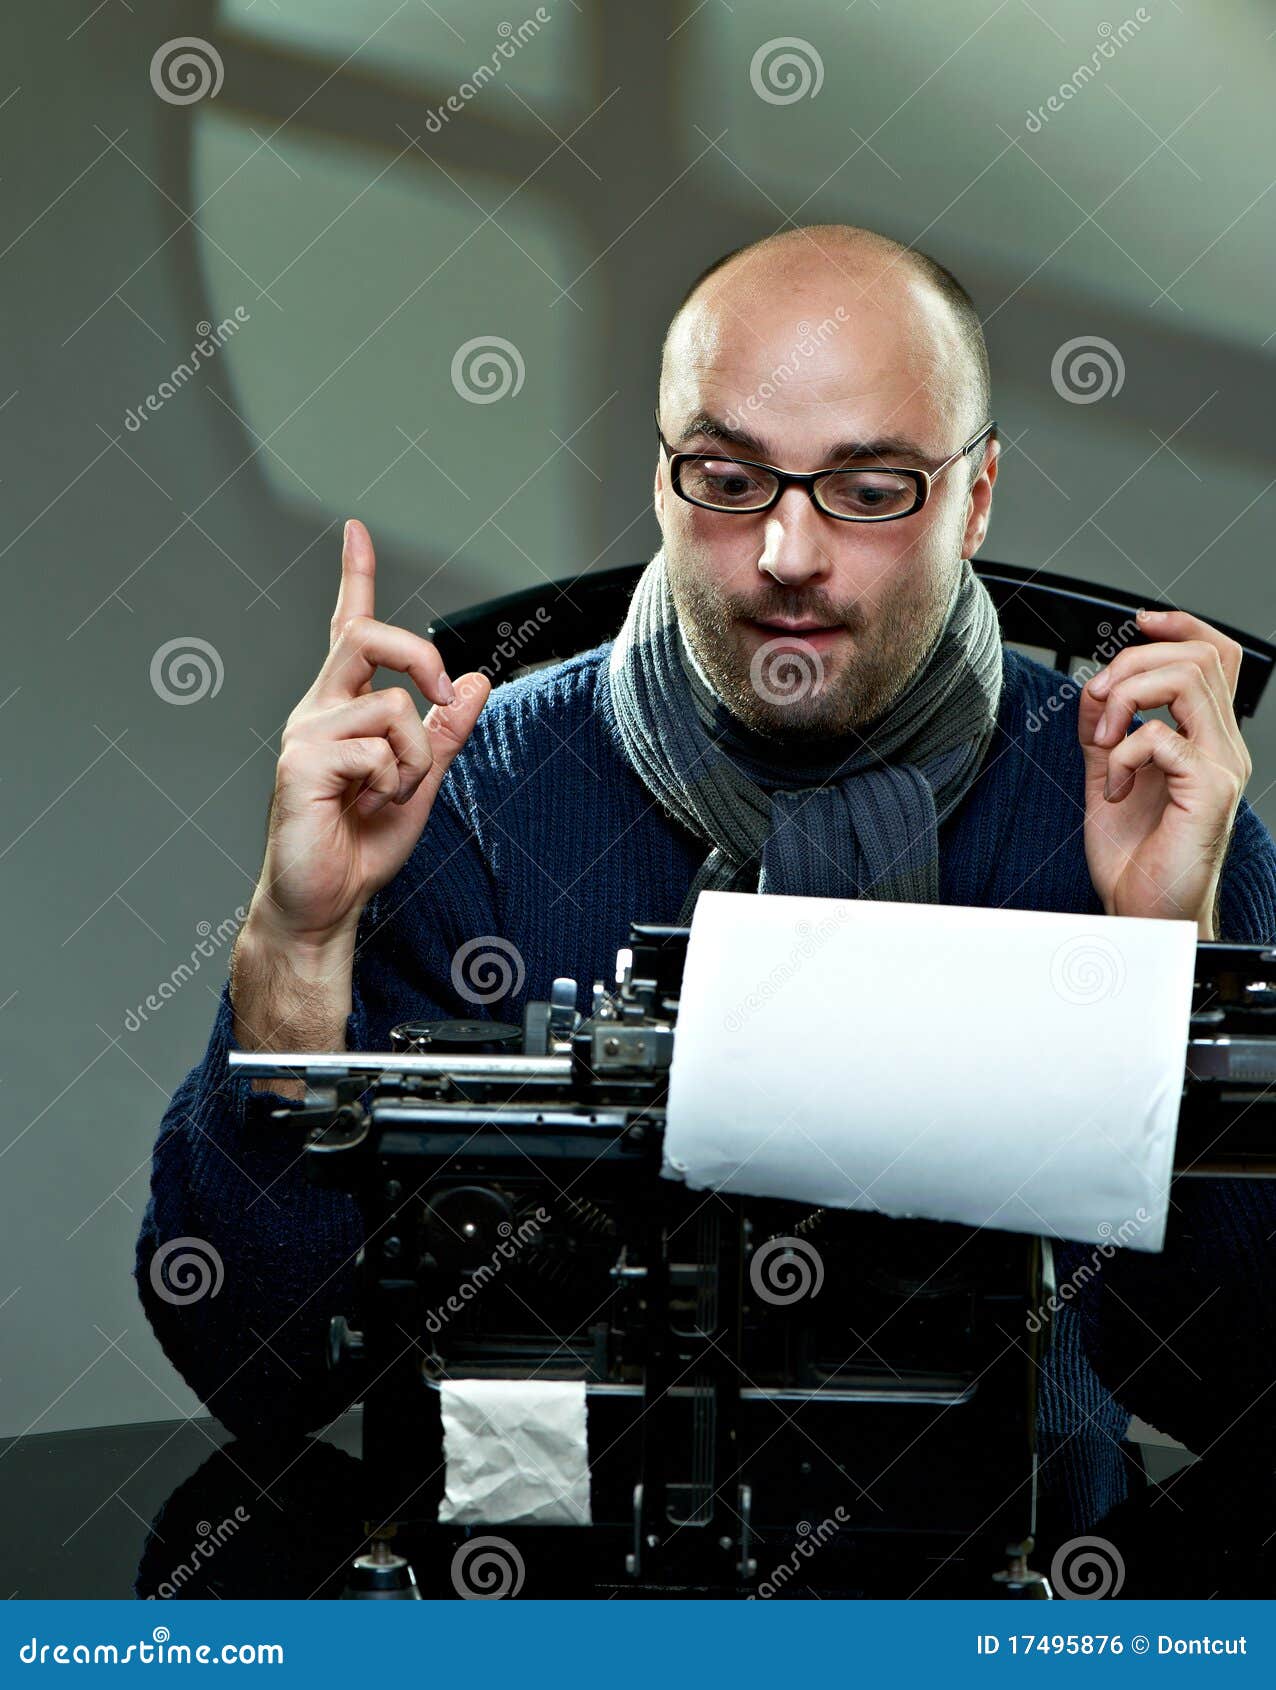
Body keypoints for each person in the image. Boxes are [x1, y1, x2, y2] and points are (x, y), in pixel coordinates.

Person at [135, 224, 1276, 1553]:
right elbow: (257, 1370)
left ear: (976, 498)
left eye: (870, 489)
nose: (789, 552)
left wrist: (1164, 960)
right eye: (730, 478)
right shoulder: (468, 803)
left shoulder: (1132, 803)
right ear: (664, 482)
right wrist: (294, 943)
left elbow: (1240, 1389)